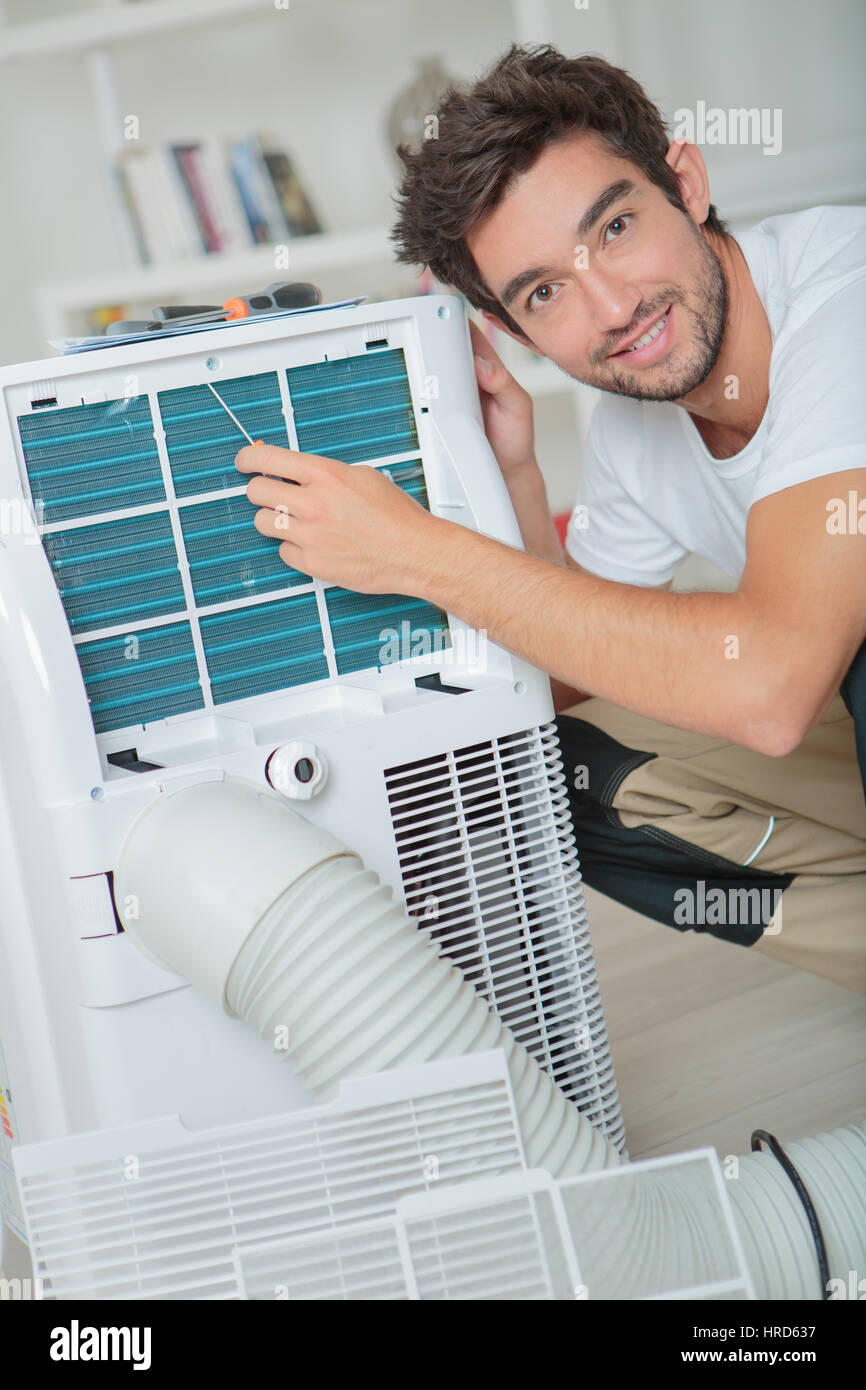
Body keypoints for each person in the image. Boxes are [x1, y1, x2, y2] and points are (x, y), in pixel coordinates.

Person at [237, 44, 866, 992]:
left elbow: (774, 684)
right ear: (515, 334)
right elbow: (568, 676)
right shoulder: (636, 425)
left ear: (686, 184)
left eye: (613, 228)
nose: (612, 308)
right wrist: (517, 479)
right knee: (550, 773)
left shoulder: (845, 298)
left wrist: (419, 553)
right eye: (543, 292)